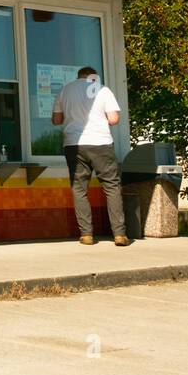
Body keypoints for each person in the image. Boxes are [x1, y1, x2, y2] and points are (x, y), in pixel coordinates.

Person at [52, 67, 130, 246]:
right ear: (94, 77)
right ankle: (119, 234)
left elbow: (56, 120)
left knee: (79, 189)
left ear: (78, 76)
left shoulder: (65, 90)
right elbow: (113, 119)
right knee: (111, 186)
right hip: (100, 143)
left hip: (73, 144)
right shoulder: (102, 89)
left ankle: (86, 235)